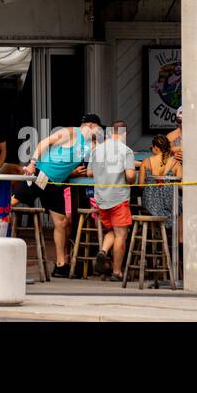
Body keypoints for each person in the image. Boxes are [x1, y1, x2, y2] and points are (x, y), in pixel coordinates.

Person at [13, 113, 103, 278]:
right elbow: (44, 142)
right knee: (11, 202)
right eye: (98, 127)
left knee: (61, 223)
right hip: (42, 174)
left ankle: (61, 265)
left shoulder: (91, 144)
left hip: (56, 183)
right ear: (91, 125)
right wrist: (32, 163)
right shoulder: (71, 132)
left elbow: (100, 153)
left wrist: (72, 172)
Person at [85, 120, 136, 282]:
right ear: (124, 134)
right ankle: (116, 272)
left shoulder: (97, 151)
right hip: (119, 198)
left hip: (101, 198)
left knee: (111, 232)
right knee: (121, 234)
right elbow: (130, 176)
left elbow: (89, 173)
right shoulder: (126, 151)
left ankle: (104, 251)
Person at [138, 133, 181, 247]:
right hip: (171, 204)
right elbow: (181, 185)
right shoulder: (175, 163)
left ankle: (157, 240)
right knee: (181, 207)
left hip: (150, 204)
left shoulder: (146, 162)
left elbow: (141, 186)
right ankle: (174, 242)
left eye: (152, 148)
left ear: (156, 147)